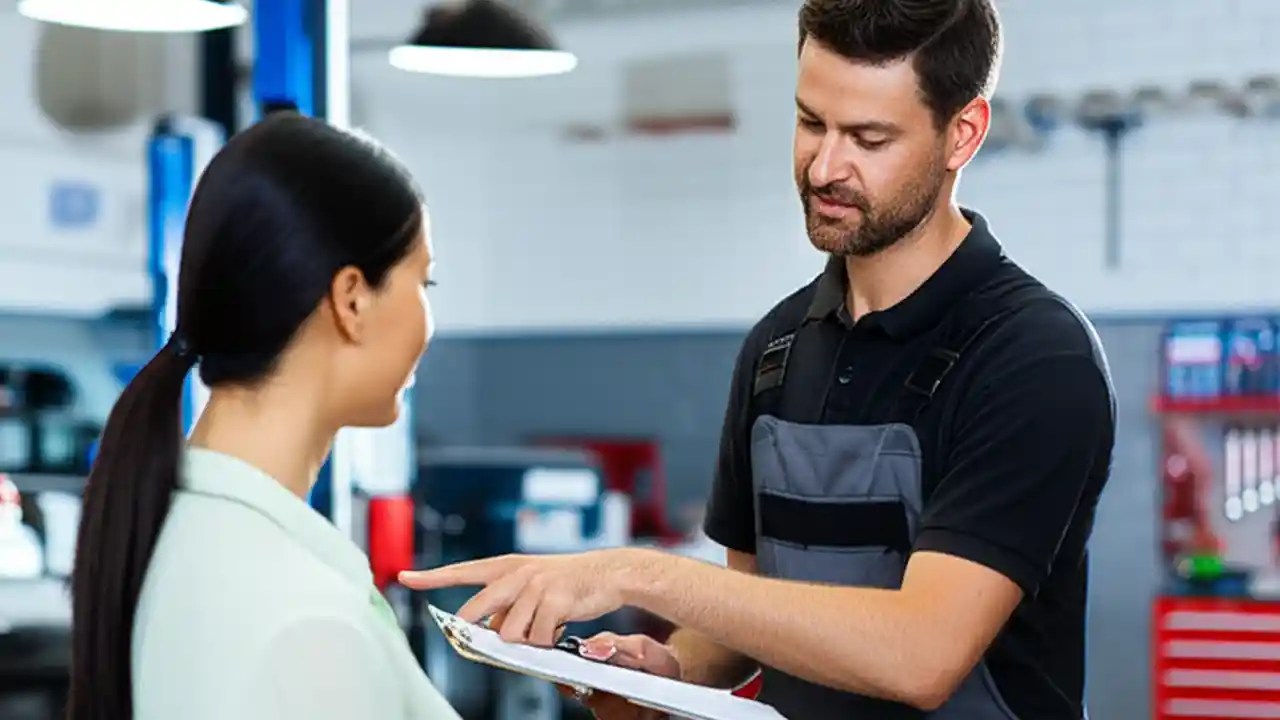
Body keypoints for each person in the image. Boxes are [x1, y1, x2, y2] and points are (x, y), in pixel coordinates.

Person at [400, 0, 1115, 719]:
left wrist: (636, 573)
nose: (826, 166)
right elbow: (748, 618)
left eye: (869, 137)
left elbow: (922, 654)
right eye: (811, 122)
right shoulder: (777, 349)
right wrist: (671, 669)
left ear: (963, 134)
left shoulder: (1032, 356)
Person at [66, 113, 461, 720]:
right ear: (351, 298)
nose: (429, 322)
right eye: (424, 283)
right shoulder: (305, 619)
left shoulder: (176, 535)